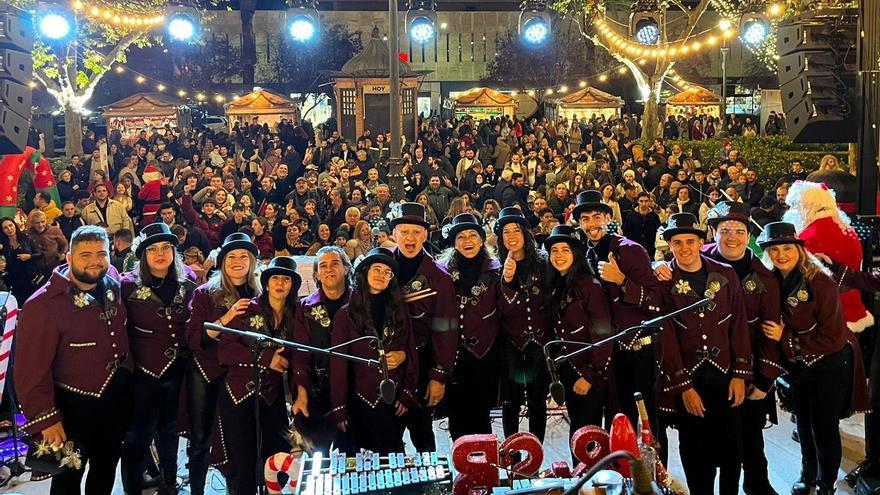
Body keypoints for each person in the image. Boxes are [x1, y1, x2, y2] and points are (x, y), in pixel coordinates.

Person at [15, 226, 132, 495]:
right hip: (71, 410)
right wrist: (45, 419)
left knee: (104, 471)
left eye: (102, 254)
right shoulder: (42, 305)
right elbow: (30, 372)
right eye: (86, 254)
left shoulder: (112, 283)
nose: (95, 261)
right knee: (67, 480)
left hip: (114, 404)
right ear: (68, 258)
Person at [757, 222, 869, 495]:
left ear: (798, 249)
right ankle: (807, 474)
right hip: (799, 364)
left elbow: (833, 338)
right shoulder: (772, 281)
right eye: (774, 249)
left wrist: (785, 336)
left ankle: (825, 483)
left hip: (830, 363)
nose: (781, 254)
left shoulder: (821, 282)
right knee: (803, 422)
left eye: (787, 248)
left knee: (823, 426)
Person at [655, 212, 752, 495]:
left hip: (725, 376)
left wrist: (740, 374)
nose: (684, 248)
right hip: (690, 379)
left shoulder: (726, 274)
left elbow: (739, 324)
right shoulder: (664, 280)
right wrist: (683, 386)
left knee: (733, 449)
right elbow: (666, 337)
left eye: (690, 241)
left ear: (701, 242)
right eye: (677, 243)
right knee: (696, 452)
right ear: (669, 246)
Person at [572, 190, 662, 432]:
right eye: (585, 219)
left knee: (647, 426)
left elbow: (656, 300)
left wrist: (622, 281)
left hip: (638, 353)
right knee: (618, 426)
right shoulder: (584, 254)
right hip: (608, 355)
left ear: (608, 219)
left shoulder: (630, 249)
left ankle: (653, 471)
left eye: (596, 217)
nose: (592, 224)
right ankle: (621, 471)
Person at [120, 223, 196, 494]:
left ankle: (169, 481)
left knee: (170, 431)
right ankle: (133, 487)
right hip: (143, 374)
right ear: (143, 255)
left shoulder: (188, 283)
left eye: (166, 247)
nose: (160, 253)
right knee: (137, 435)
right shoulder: (127, 286)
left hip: (178, 372)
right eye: (152, 249)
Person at [185, 233, 260, 495]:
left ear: (252, 262)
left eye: (244, 257)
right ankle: (196, 489)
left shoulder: (260, 293)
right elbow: (195, 339)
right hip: (209, 374)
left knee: (240, 440)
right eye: (232, 257)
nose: (238, 261)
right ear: (222, 262)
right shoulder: (205, 294)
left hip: (244, 377)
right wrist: (227, 317)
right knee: (202, 439)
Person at [218, 257, 300, 494]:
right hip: (238, 397)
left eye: (286, 279)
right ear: (266, 283)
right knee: (243, 464)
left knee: (275, 459)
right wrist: (267, 359)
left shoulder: (296, 317)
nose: (280, 283)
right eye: (275, 277)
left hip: (271, 398)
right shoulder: (246, 308)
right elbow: (225, 351)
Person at [329, 247, 419, 453]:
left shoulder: (399, 309)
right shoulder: (345, 315)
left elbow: (410, 349)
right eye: (377, 269)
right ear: (365, 272)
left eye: (387, 272)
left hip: (394, 399)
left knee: (395, 456)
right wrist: (339, 407)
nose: (382, 275)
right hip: (360, 400)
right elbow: (338, 365)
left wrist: (407, 393)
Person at [390, 202, 458, 451]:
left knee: (423, 437)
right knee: (388, 438)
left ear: (426, 235)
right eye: (405, 231)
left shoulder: (440, 277)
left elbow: (447, 330)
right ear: (394, 234)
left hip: (421, 366)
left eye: (416, 232)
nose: (410, 238)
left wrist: (439, 376)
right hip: (387, 371)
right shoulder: (379, 269)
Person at [543, 225, 613, 456]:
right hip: (570, 371)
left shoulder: (590, 287)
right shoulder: (557, 284)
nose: (559, 255)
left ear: (576, 253)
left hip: (589, 373)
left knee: (588, 436)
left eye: (565, 249)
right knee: (578, 434)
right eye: (554, 250)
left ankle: (591, 487)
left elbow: (603, 334)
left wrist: (590, 375)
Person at [439, 213, 501, 439]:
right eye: (461, 237)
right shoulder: (442, 272)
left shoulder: (496, 270)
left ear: (482, 239)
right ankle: (462, 469)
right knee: (457, 416)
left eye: (472, 235)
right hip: (453, 355)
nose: (467, 241)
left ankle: (484, 469)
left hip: (485, 355)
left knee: (481, 417)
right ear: (454, 242)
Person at [291, 246, 352, 453]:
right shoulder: (305, 307)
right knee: (320, 456)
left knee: (353, 455)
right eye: (323, 266)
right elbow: (301, 355)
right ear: (316, 274)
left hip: (354, 389)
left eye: (335, 263)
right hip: (320, 389)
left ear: (346, 268)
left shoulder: (360, 302)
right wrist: (301, 392)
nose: (329, 269)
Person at [496, 207, 550, 442]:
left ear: (525, 233)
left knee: (538, 401)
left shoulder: (543, 263)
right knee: (511, 402)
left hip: (539, 342)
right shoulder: (496, 267)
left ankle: (535, 450)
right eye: (505, 232)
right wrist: (507, 280)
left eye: (516, 230)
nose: (511, 236)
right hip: (510, 344)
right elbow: (503, 308)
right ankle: (512, 453)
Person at [0, 216, 40, 302]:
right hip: (14, 281)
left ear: (15, 225)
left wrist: (29, 256)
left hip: (30, 278)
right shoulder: (2, 244)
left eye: (10, 225)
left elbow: (40, 254)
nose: (9, 229)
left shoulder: (25, 238)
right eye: (5, 228)